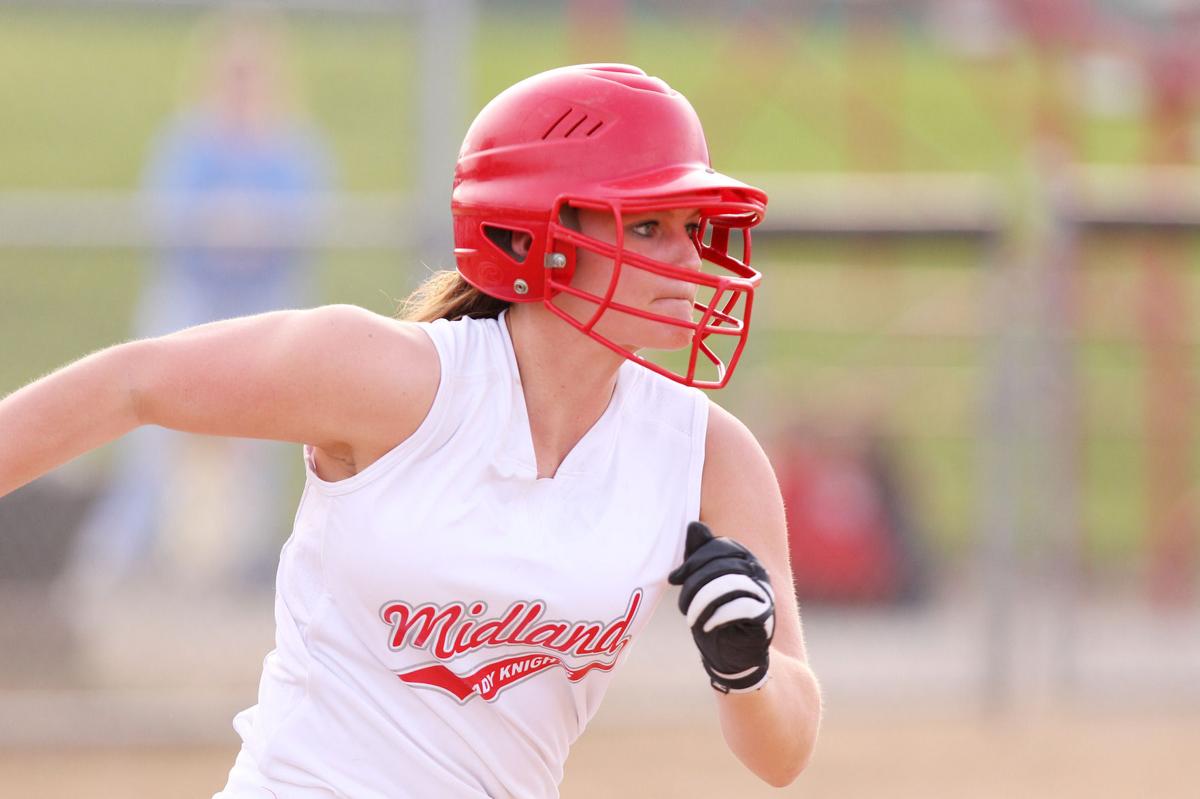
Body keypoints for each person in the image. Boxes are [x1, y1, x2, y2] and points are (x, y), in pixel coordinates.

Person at [0, 64, 821, 797]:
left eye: (691, 227)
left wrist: (745, 669)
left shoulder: (707, 455)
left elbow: (785, 752)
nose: (689, 260)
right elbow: (132, 384)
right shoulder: (399, 380)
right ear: (530, 234)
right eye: (647, 226)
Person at [67, 11, 332, 591]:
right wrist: (222, 226)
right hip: (194, 294)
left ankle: (260, 556)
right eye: (231, 73)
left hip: (262, 300)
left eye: (251, 74)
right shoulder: (187, 143)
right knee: (149, 422)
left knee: (270, 425)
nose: (241, 86)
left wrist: (250, 228)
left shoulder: (291, 147)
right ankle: (120, 552)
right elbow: (170, 227)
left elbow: (302, 232)